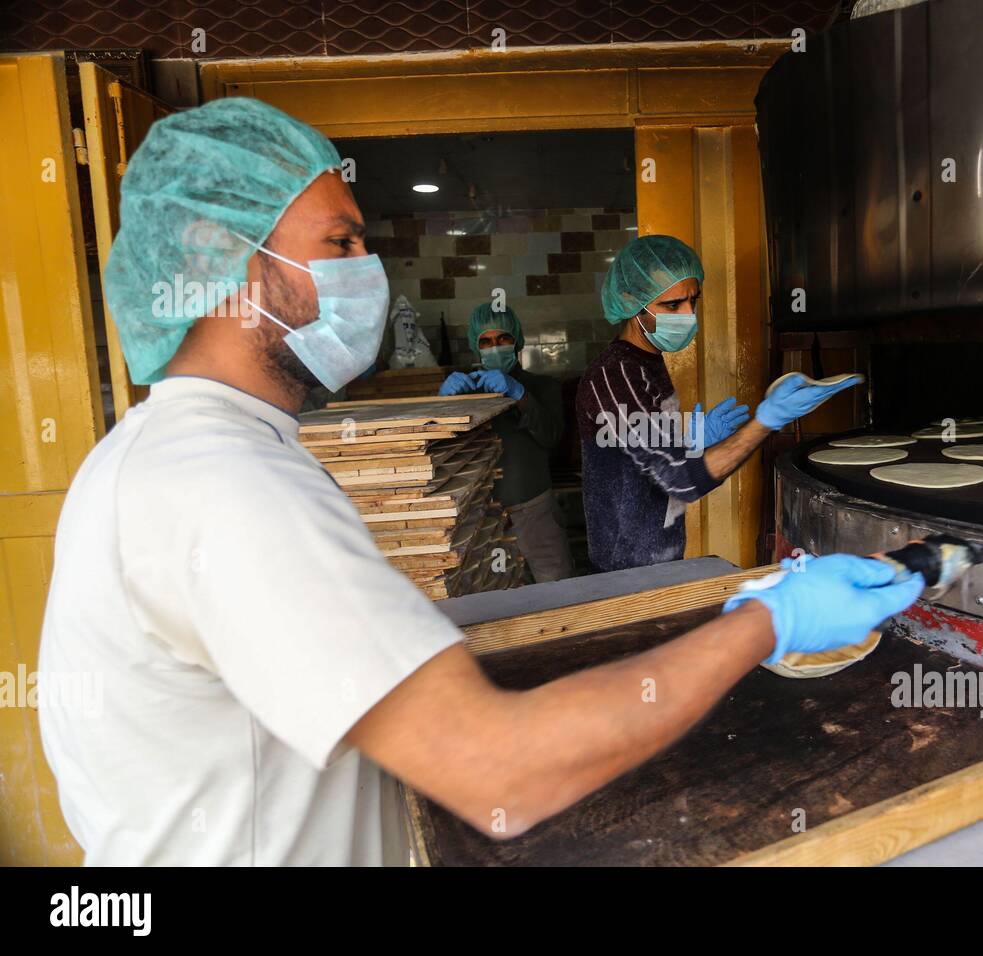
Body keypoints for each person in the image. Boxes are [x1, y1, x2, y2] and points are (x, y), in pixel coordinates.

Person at [37, 97, 922, 865]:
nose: (365, 273)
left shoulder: (165, 453)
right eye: (339, 242)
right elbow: (503, 768)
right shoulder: (223, 485)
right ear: (230, 265)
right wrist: (772, 619)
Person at [577, 235, 857, 572]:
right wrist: (765, 422)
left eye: (693, 301)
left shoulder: (645, 361)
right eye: (672, 305)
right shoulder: (615, 374)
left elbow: (638, 447)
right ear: (629, 300)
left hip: (656, 560)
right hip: (622, 573)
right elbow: (680, 479)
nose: (689, 315)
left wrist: (685, 438)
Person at [439, 303, 571, 582]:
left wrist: (520, 395)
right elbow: (441, 455)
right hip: (482, 517)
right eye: (485, 341)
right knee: (499, 597)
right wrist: (442, 408)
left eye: (503, 339)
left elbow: (551, 437)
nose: (494, 347)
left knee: (558, 591)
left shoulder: (543, 387)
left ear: (518, 340)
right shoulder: (468, 392)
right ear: (476, 348)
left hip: (535, 511)